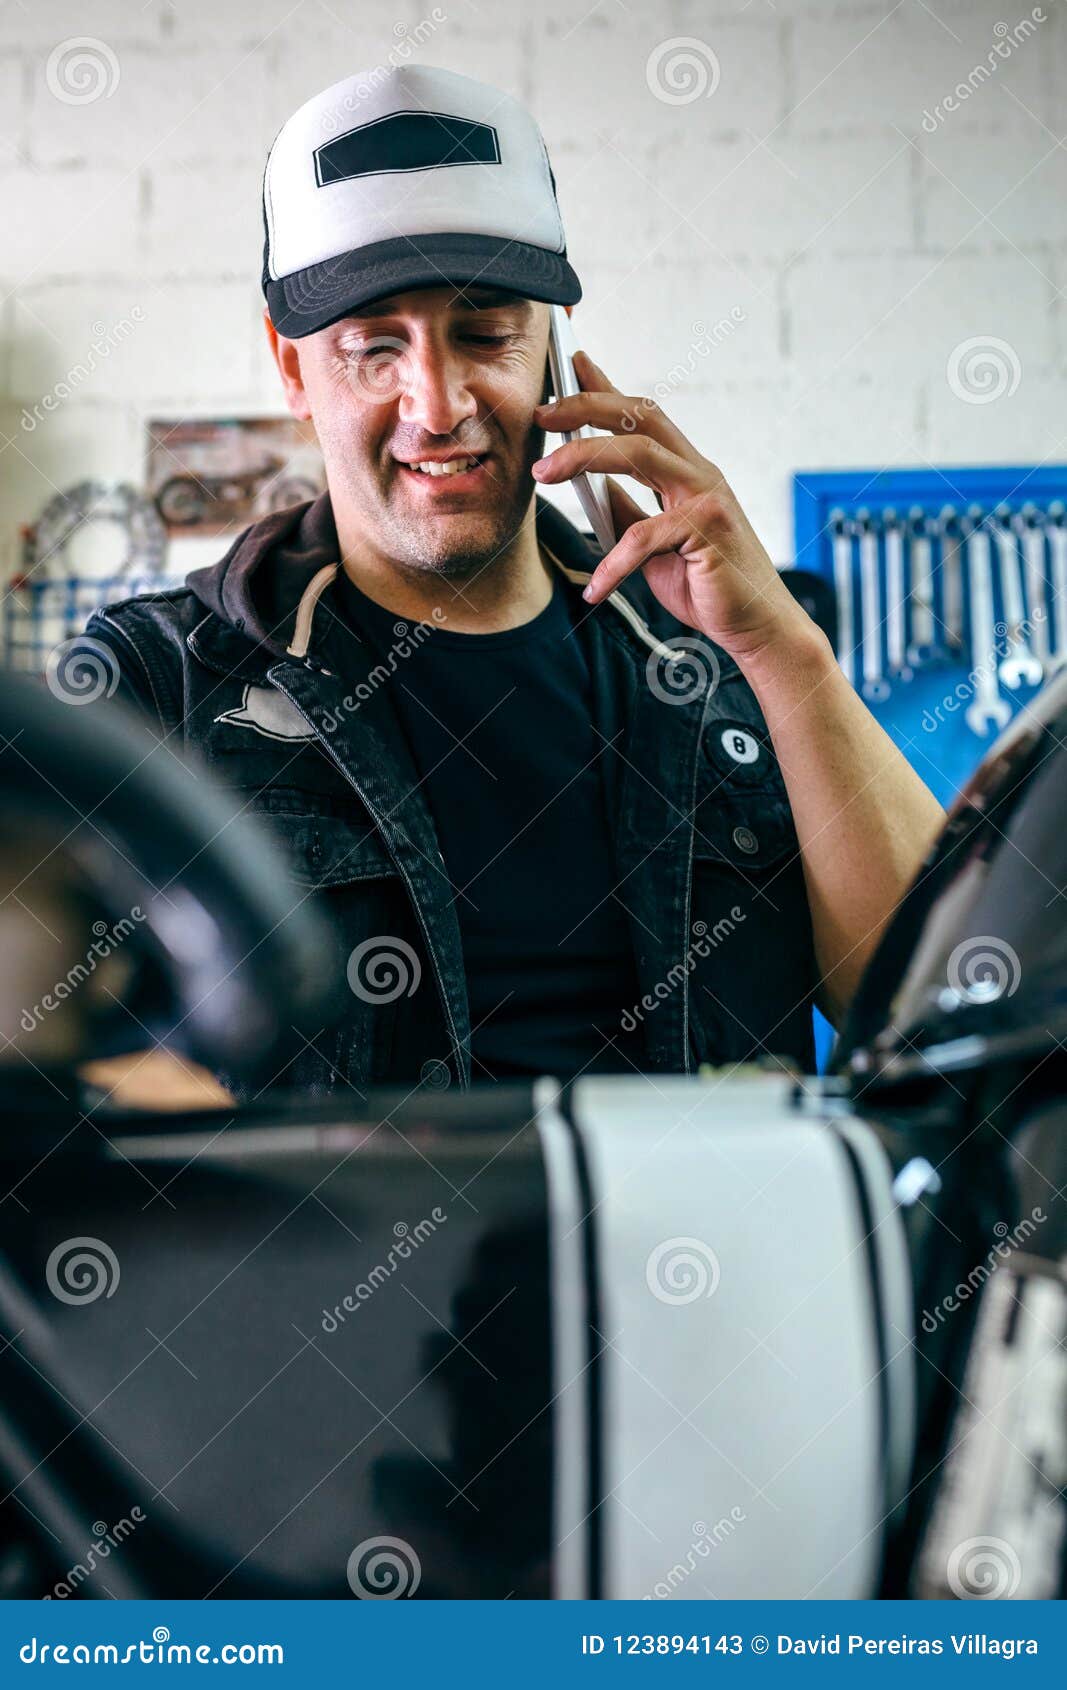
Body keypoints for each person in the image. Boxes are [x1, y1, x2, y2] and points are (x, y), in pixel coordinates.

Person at [78, 65, 944, 1100]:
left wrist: (783, 655)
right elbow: (61, 1069)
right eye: (371, 347)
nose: (436, 404)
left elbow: (937, 1007)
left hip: (712, 1259)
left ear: (554, 348)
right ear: (292, 367)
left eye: (485, 333)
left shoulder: (722, 661)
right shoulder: (154, 684)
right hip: (358, 1268)